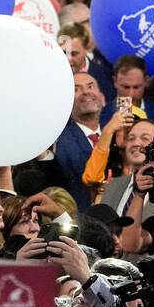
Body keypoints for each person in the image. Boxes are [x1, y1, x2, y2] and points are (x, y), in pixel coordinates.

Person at [53, 73, 108, 211]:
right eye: (76, 89)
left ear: (103, 98)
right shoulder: (60, 140)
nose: (86, 92)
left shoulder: (118, 136)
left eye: (90, 86)